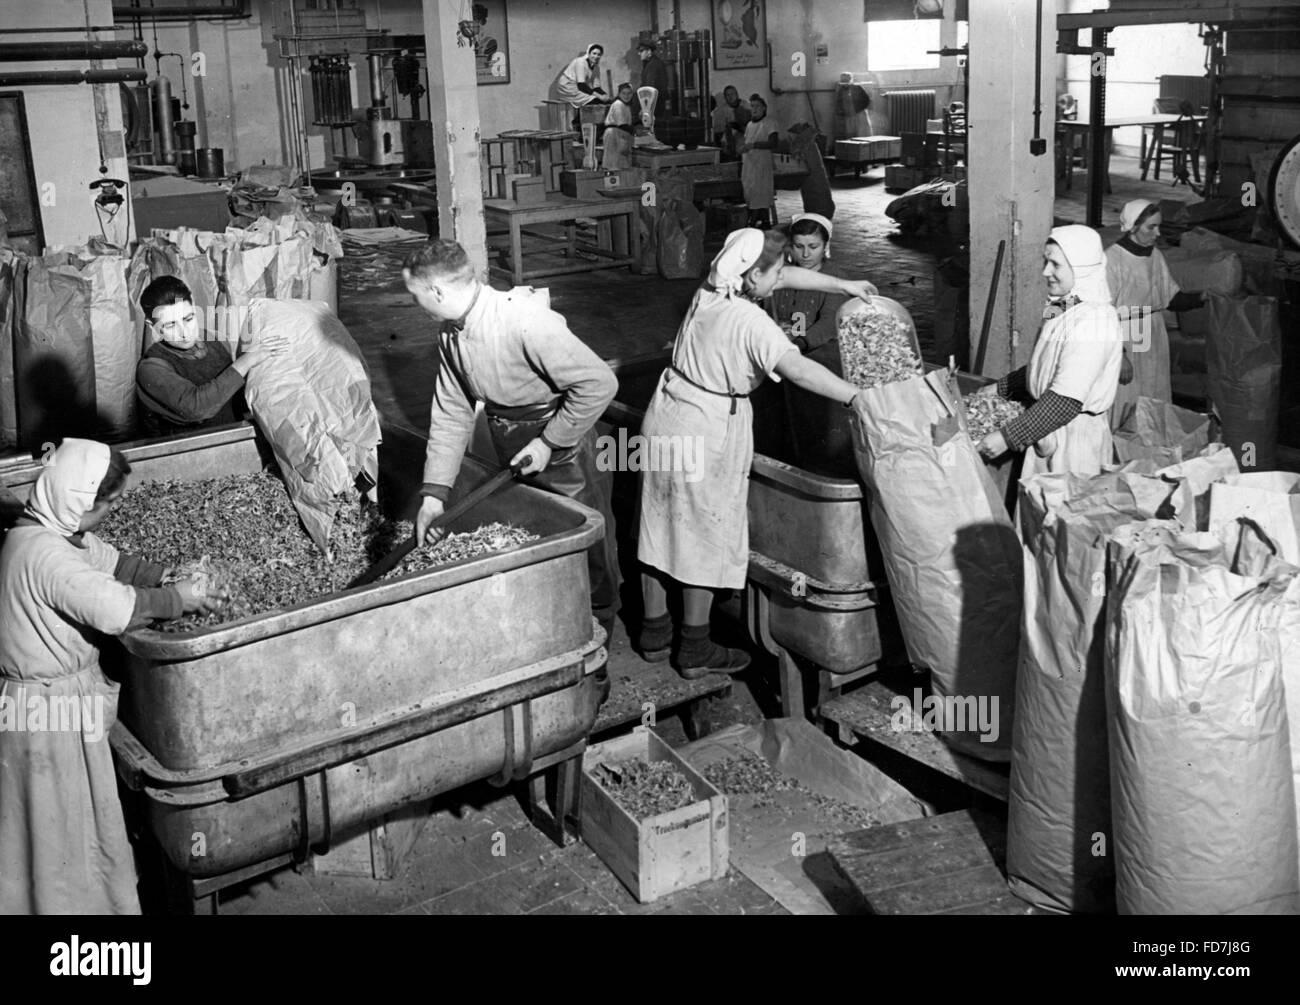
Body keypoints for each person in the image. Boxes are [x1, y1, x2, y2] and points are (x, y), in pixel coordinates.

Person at [636, 229, 871, 677]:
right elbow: (799, 370)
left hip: (666, 412)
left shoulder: (710, 290)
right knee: (704, 535)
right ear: (753, 274)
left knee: (657, 521)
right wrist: (858, 398)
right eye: (777, 269)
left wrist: (845, 286)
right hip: (707, 427)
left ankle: (652, 633)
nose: (784, 276)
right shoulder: (751, 321)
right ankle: (695, 649)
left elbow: (786, 279)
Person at [0, 438, 220, 914]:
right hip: (45, 718)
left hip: (52, 705)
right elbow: (117, 608)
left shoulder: (56, 532)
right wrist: (179, 600)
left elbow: (116, 564)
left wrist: (167, 576)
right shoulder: (44, 555)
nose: (114, 512)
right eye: (109, 504)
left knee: (69, 827)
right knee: (60, 831)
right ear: (80, 501)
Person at [403, 240, 621, 641]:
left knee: (584, 548)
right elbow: (452, 414)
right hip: (509, 441)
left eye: (415, 295)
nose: (416, 305)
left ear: (436, 291)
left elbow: (599, 383)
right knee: (536, 537)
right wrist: (434, 494)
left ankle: (596, 643)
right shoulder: (451, 334)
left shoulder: (524, 321)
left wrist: (549, 442)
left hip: (562, 446)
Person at [976, 225, 1123, 478]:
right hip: (1049, 426)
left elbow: (1065, 401)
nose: (1046, 272)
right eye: (1046, 262)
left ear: (1081, 269)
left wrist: (1005, 438)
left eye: (1055, 264)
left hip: (1073, 441)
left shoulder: (1095, 320)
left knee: (1062, 511)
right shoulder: (1066, 303)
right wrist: (1001, 388)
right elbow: (1047, 366)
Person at [135, 275, 289, 437]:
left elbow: (234, 398)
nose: (184, 332)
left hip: (234, 441)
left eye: (188, 319)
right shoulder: (150, 368)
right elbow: (196, 408)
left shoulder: (215, 341)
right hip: (187, 454)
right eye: (170, 325)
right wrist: (247, 361)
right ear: (152, 326)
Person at [1105, 198, 1207, 426]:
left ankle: (1150, 453)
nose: (1158, 233)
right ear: (1133, 226)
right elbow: (1103, 314)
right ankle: (1122, 453)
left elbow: (1169, 297)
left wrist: (1201, 297)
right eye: (1152, 227)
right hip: (1127, 336)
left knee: (1154, 394)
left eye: (1159, 226)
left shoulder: (1155, 256)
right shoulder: (1112, 259)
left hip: (1153, 333)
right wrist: (1119, 356)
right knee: (1126, 401)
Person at [740, 95, 781, 229]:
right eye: (752, 106)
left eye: (757, 106)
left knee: (761, 193)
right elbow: (746, 142)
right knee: (752, 192)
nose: (754, 109)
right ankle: (765, 221)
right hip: (750, 165)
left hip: (762, 164)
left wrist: (754, 145)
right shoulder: (750, 125)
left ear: (764, 108)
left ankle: (752, 222)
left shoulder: (770, 122)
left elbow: (773, 143)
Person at [557, 44, 608, 131]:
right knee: (594, 100)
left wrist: (605, 96)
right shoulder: (580, 62)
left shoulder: (596, 67)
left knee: (603, 101)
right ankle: (577, 124)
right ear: (589, 53)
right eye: (594, 53)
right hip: (567, 87)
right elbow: (581, 85)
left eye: (599, 54)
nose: (596, 56)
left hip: (577, 87)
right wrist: (599, 96)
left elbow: (596, 87)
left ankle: (594, 131)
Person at [602, 82, 636, 170]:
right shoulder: (618, 104)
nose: (626, 96)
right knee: (613, 165)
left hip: (620, 135)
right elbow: (622, 125)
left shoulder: (626, 106)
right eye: (623, 93)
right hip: (613, 135)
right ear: (619, 94)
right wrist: (636, 131)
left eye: (629, 93)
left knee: (620, 164)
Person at [711, 85, 750, 160]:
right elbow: (719, 132)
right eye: (727, 95)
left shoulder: (746, 105)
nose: (730, 97)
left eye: (732, 94)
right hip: (731, 140)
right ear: (725, 97)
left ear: (737, 94)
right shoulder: (721, 111)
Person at [636, 40, 670, 115]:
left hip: (655, 104)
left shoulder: (653, 66)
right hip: (656, 103)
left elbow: (650, 87)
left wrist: (645, 107)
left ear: (649, 52)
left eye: (641, 51)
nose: (639, 53)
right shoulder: (652, 63)